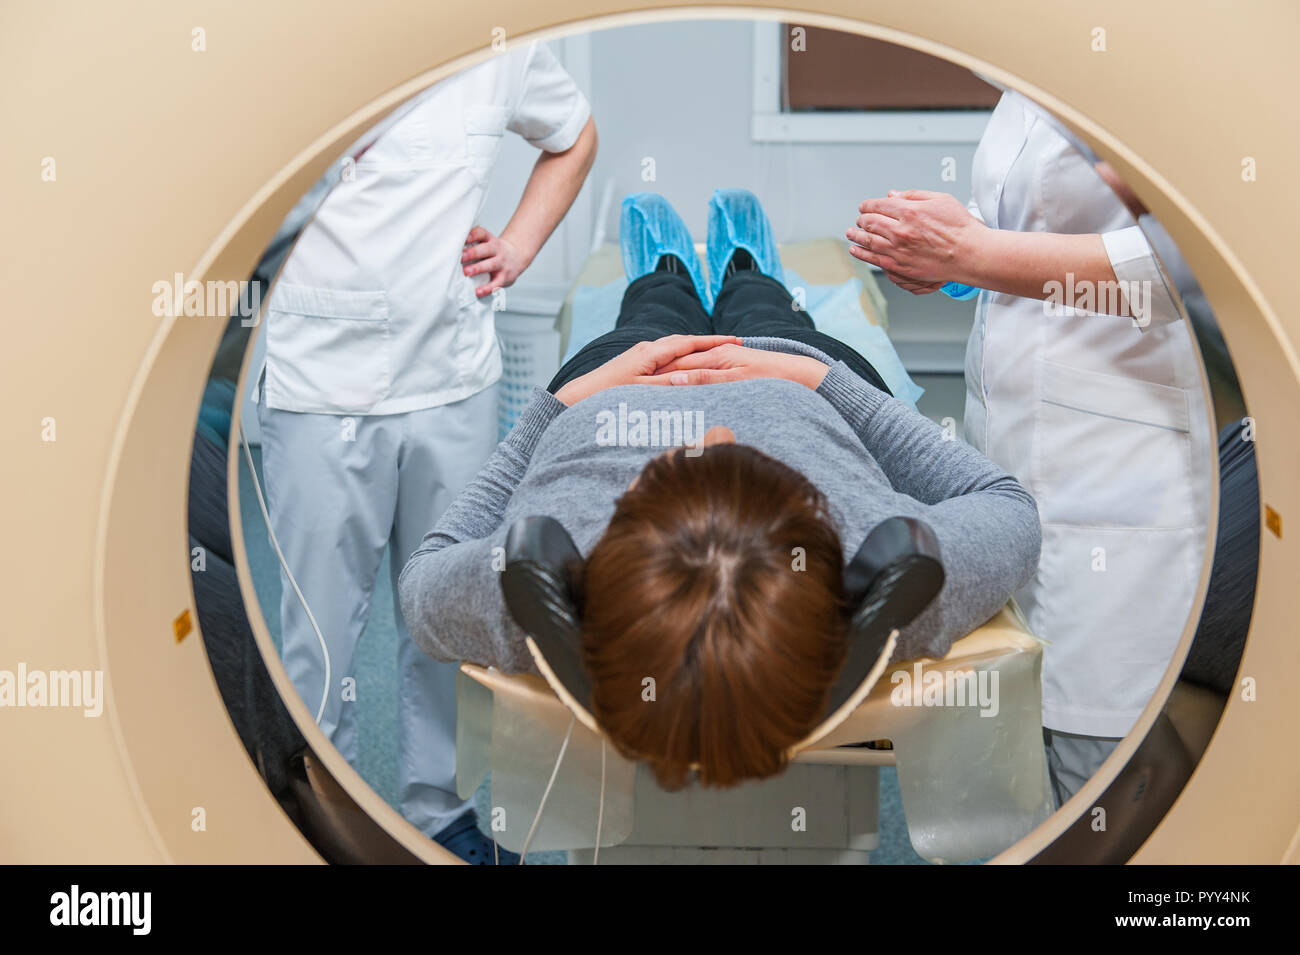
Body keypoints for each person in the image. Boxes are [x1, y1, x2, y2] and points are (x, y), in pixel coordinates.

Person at [398, 190, 1041, 787]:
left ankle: (666, 274)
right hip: (784, 366)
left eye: (670, 465)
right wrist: (823, 381)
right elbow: (1007, 507)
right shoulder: (890, 588)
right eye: (737, 457)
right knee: (767, 309)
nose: (713, 432)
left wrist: (560, 406)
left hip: (617, 379)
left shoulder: (535, 598)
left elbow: (423, 575)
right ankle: (746, 271)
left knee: (649, 312)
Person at [252, 41, 596, 862]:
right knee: (320, 639)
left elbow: (575, 135)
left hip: (452, 380)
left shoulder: (504, 46)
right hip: (319, 386)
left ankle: (439, 814)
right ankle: (315, 814)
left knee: (446, 618)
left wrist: (514, 246)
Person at [846, 89, 1213, 805]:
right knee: (1016, 747)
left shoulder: (1168, 53)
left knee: (1099, 766)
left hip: (1116, 471)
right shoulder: (1039, 65)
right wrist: (950, 247)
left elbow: (1185, 267)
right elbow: (1036, 218)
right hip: (1013, 451)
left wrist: (975, 251)